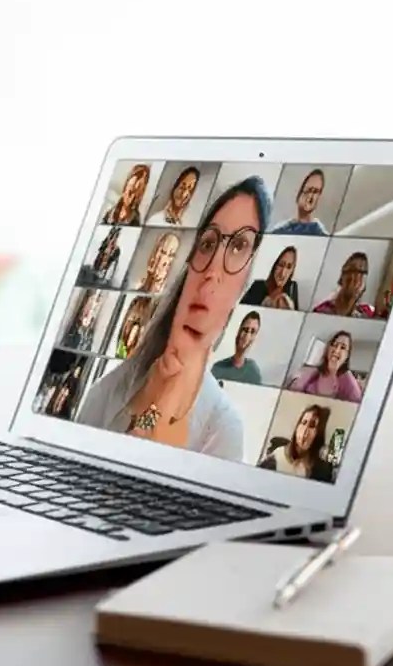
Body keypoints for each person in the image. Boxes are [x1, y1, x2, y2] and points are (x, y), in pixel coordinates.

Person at [76, 175, 275, 463]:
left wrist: (155, 410)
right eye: (208, 244)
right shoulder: (118, 383)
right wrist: (151, 406)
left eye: (238, 246)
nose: (213, 271)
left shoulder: (224, 428)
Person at [259, 404, 335, 482]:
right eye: (303, 423)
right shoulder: (276, 459)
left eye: (312, 426)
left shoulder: (322, 471)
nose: (305, 430)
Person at [287, 331, 364, 403]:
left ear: (347, 356)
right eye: (334, 345)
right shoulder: (313, 373)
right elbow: (292, 394)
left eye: (343, 347)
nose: (336, 350)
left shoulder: (348, 381)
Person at [314, 252, 376, 317]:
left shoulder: (368, 312)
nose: (357, 278)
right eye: (352, 271)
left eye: (362, 273)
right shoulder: (322, 310)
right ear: (342, 276)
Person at [210, 311, 264, 385]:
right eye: (245, 330)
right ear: (239, 331)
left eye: (252, 332)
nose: (247, 336)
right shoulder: (218, 368)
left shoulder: (253, 372)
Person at [270, 169, 330, 235]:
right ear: (300, 192)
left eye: (315, 192)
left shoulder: (321, 234)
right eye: (308, 190)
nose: (310, 196)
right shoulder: (279, 231)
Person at [240, 245, 299, 310]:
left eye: (289, 267)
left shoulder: (292, 288)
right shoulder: (258, 286)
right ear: (274, 266)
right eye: (281, 265)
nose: (283, 273)